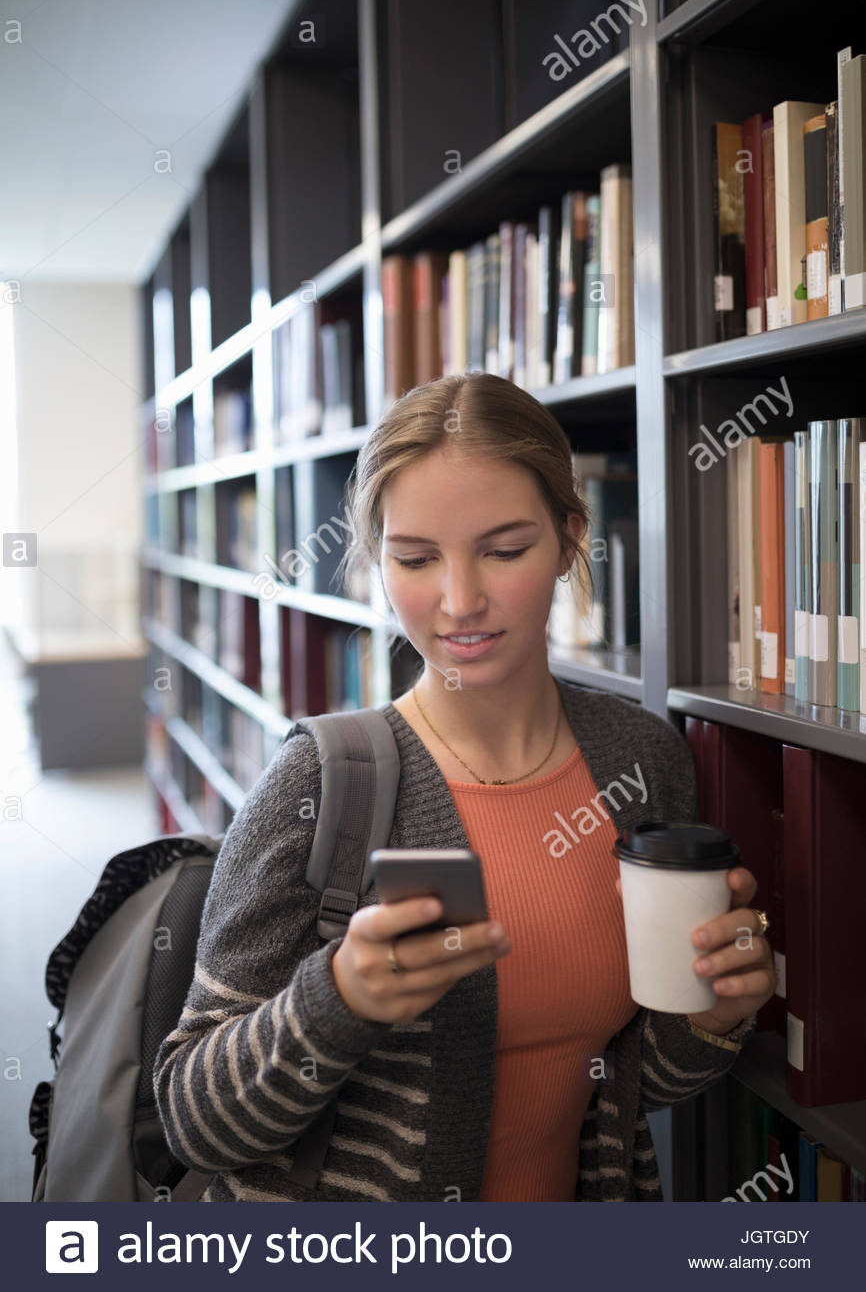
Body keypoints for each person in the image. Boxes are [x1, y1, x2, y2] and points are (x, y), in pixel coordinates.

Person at [153, 371, 775, 1202]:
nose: (459, 602)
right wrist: (337, 1000)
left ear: (570, 540)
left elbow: (623, 1085)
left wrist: (711, 1016)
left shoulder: (641, 762)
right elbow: (193, 1121)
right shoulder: (319, 780)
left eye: (504, 550)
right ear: (377, 556)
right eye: (414, 558)